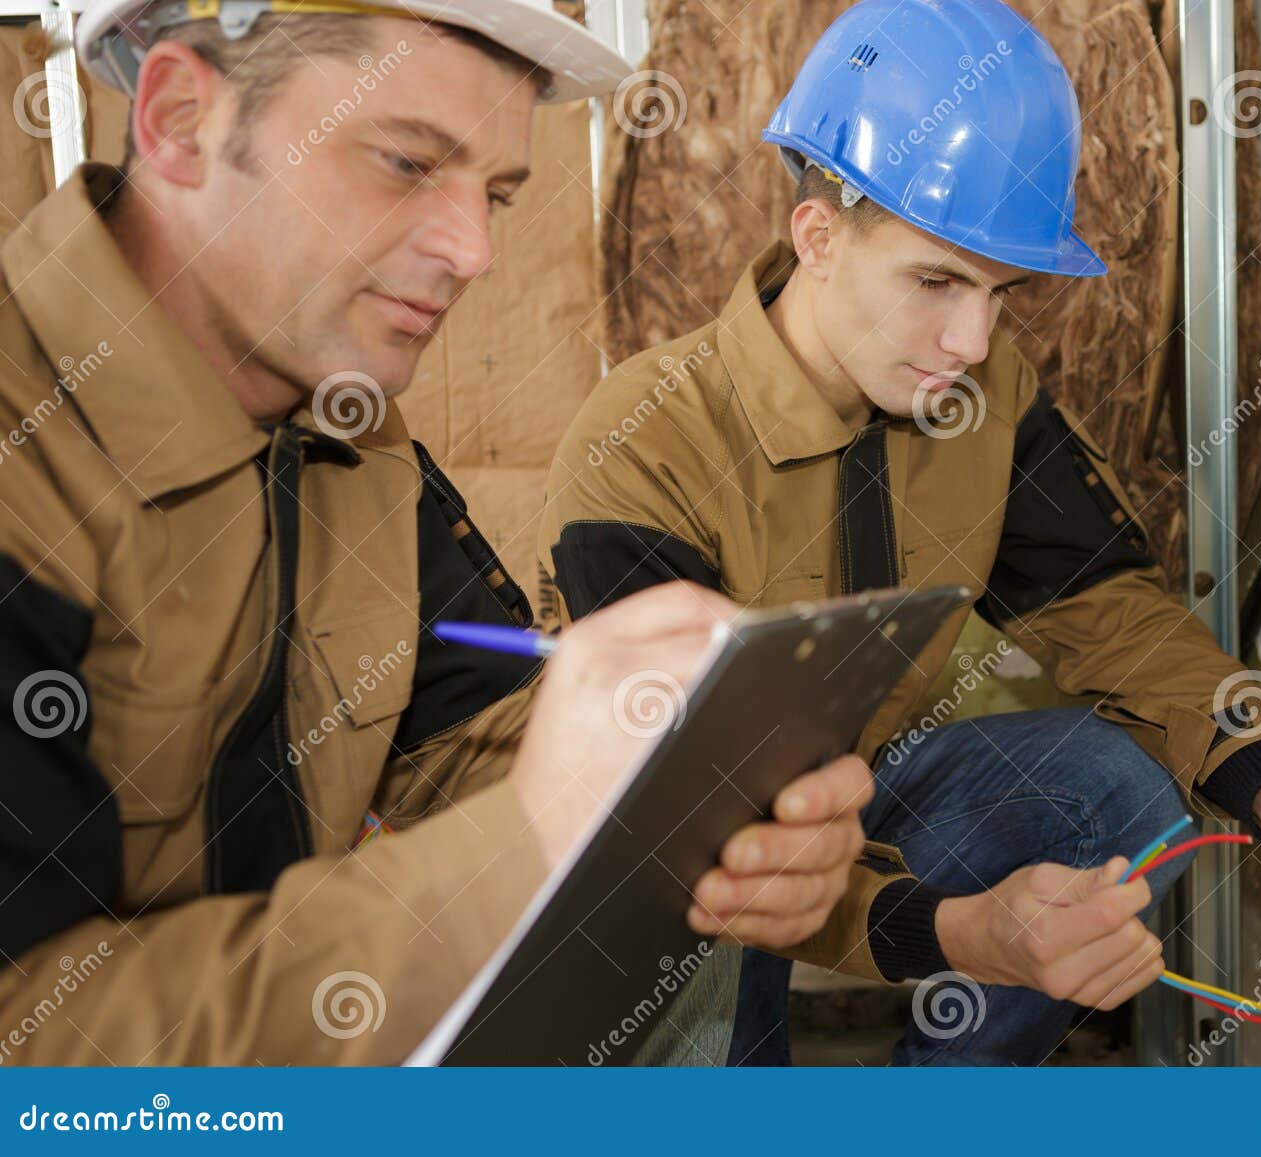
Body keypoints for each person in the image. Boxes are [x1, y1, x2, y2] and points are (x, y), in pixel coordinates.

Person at [539, 0, 1261, 1065]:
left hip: (858, 801)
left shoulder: (980, 393)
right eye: (935, 281)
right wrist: (964, 932)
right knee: (691, 949)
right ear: (815, 237)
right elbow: (680, 818)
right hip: (688, 861)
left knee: (1113, 793)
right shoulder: (645, 442)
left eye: (1000, 291)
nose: (971, 339)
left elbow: (1114, 618)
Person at [0, 0, 875, 1066]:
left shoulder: (351, 430)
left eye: (498, 193)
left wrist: (696, 789)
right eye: (408, 163)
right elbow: (32, 1051)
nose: (475, 251)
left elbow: (472, 724)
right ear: (180, 119)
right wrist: (521, 847)